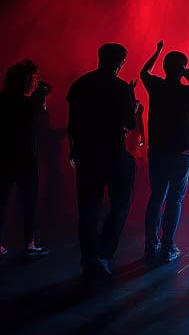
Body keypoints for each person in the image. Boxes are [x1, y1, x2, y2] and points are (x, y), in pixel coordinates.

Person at [67, 44, 137, 278]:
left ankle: (88, 257)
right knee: (120, 204)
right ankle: (104, 253)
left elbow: (73, 124)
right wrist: (134, 105)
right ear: (121, 62)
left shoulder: (80, 85)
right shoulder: (121, 88)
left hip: (87, 154)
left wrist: (73, 151)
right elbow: (130, 122)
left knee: (88, 207)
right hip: (113, 153)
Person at [141, 41, 189, 262]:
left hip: (158, 150)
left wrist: (157, 52)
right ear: (183, 68)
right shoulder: (186, 91)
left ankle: (151, 244)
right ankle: (168, 246)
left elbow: (144, 72)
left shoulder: (156, 86)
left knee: (156, 197)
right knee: (175, 199)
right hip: (181, 152)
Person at [0, 60, 52, 260]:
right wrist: (38, 84)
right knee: (29, 202)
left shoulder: (2, 99)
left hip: (3, 157)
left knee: (2, 201)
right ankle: (30, 244)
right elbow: (47, 90)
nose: (36, 82)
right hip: (25, 158)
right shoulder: (29, 103)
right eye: (33, 78)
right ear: (26, 80)